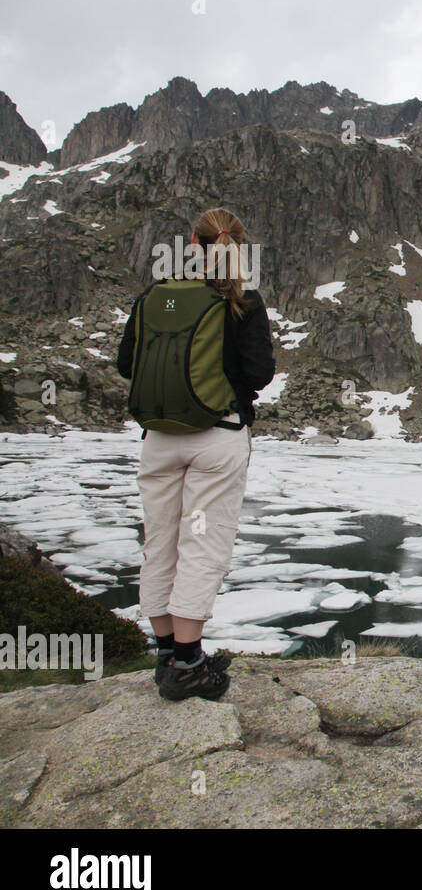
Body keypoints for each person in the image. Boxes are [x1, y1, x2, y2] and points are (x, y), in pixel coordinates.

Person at [116, 207, 275, 700]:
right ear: (238, 243)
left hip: (159, 438)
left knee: (159, 541)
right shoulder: (242, 299)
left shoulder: (155, 296)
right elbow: (258, 374)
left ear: (191, 242)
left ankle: (166, 652)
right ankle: (188, 665)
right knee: (202, 546)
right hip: (217, 437)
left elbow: (127, 364)